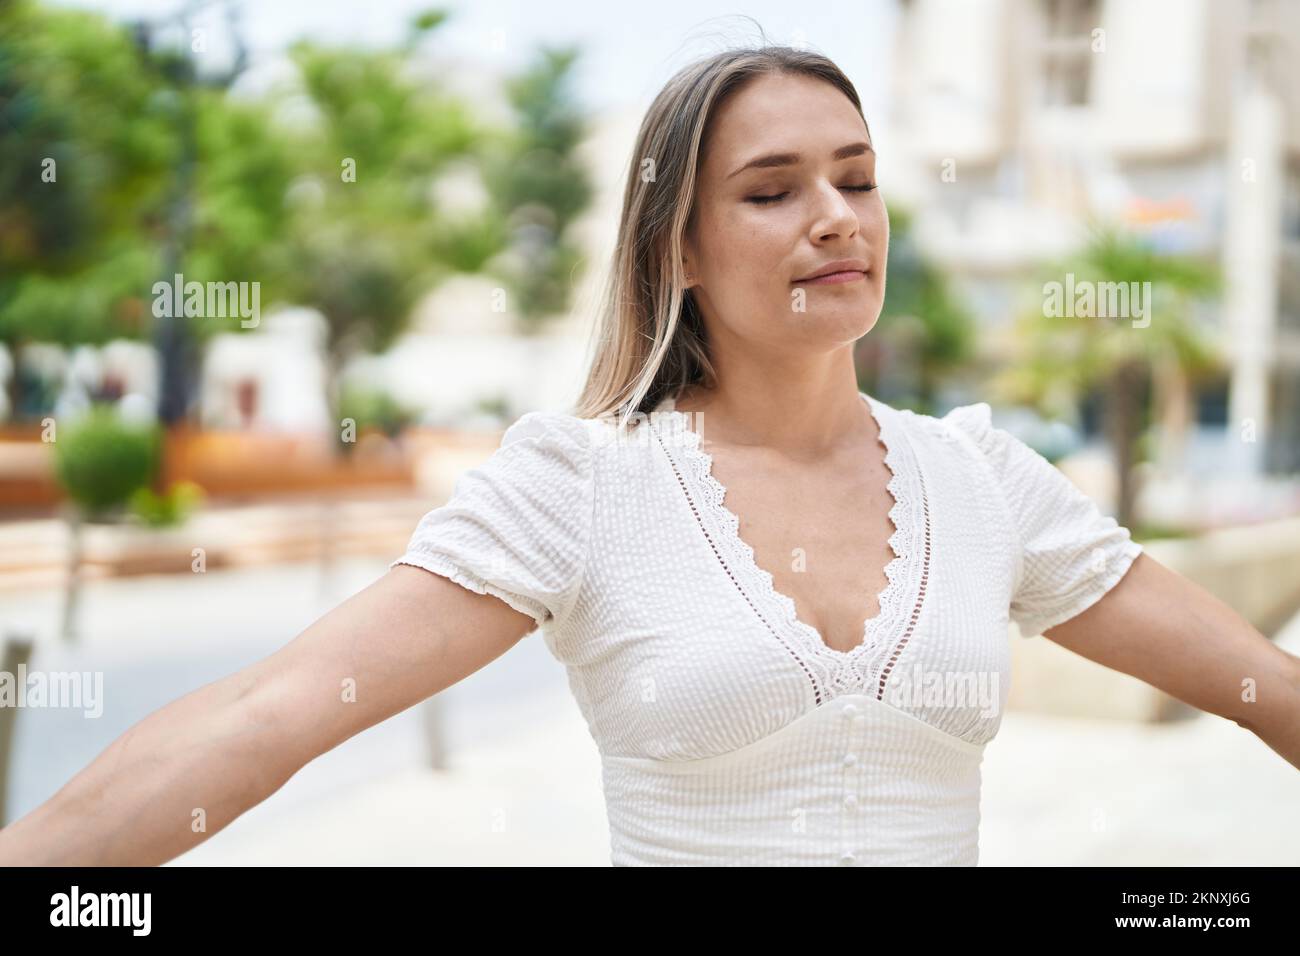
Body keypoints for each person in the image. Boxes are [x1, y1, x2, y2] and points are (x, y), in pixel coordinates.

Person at [2, 45, 1296, 868]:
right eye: (772, 189)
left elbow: (1258, 686)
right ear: (676, 246)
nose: (836, 218)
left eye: (858, 177)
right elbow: (266, 714)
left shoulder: (984, 480)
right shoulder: (586, 488)